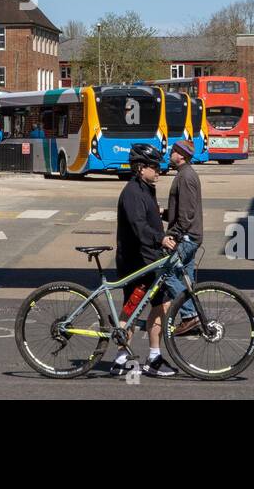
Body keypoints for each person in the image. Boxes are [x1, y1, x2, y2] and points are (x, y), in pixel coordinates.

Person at [111, 142, 176, 378]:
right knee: (131, 310)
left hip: (150, 260)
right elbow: (139, 227)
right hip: (135, 263)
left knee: (163, 305)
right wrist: (161, 239)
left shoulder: (146, 189)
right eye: (154, 167)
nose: (159, 170)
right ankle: (120, 359)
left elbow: (148, 218)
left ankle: (154, 357)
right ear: (140, 168)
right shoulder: (131, 193)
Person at [162, 139, 203, 333]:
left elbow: (186, 214)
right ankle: (195, 319)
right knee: (186, 279)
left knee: (167, 272)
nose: (170, 153)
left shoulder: (185, 177)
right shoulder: (185, 174)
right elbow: (182, 210)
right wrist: (163, 213)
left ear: (182, 155)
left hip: (186, 237)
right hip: (191, 235)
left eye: (174, 150)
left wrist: (173, 235)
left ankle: (190, 315)